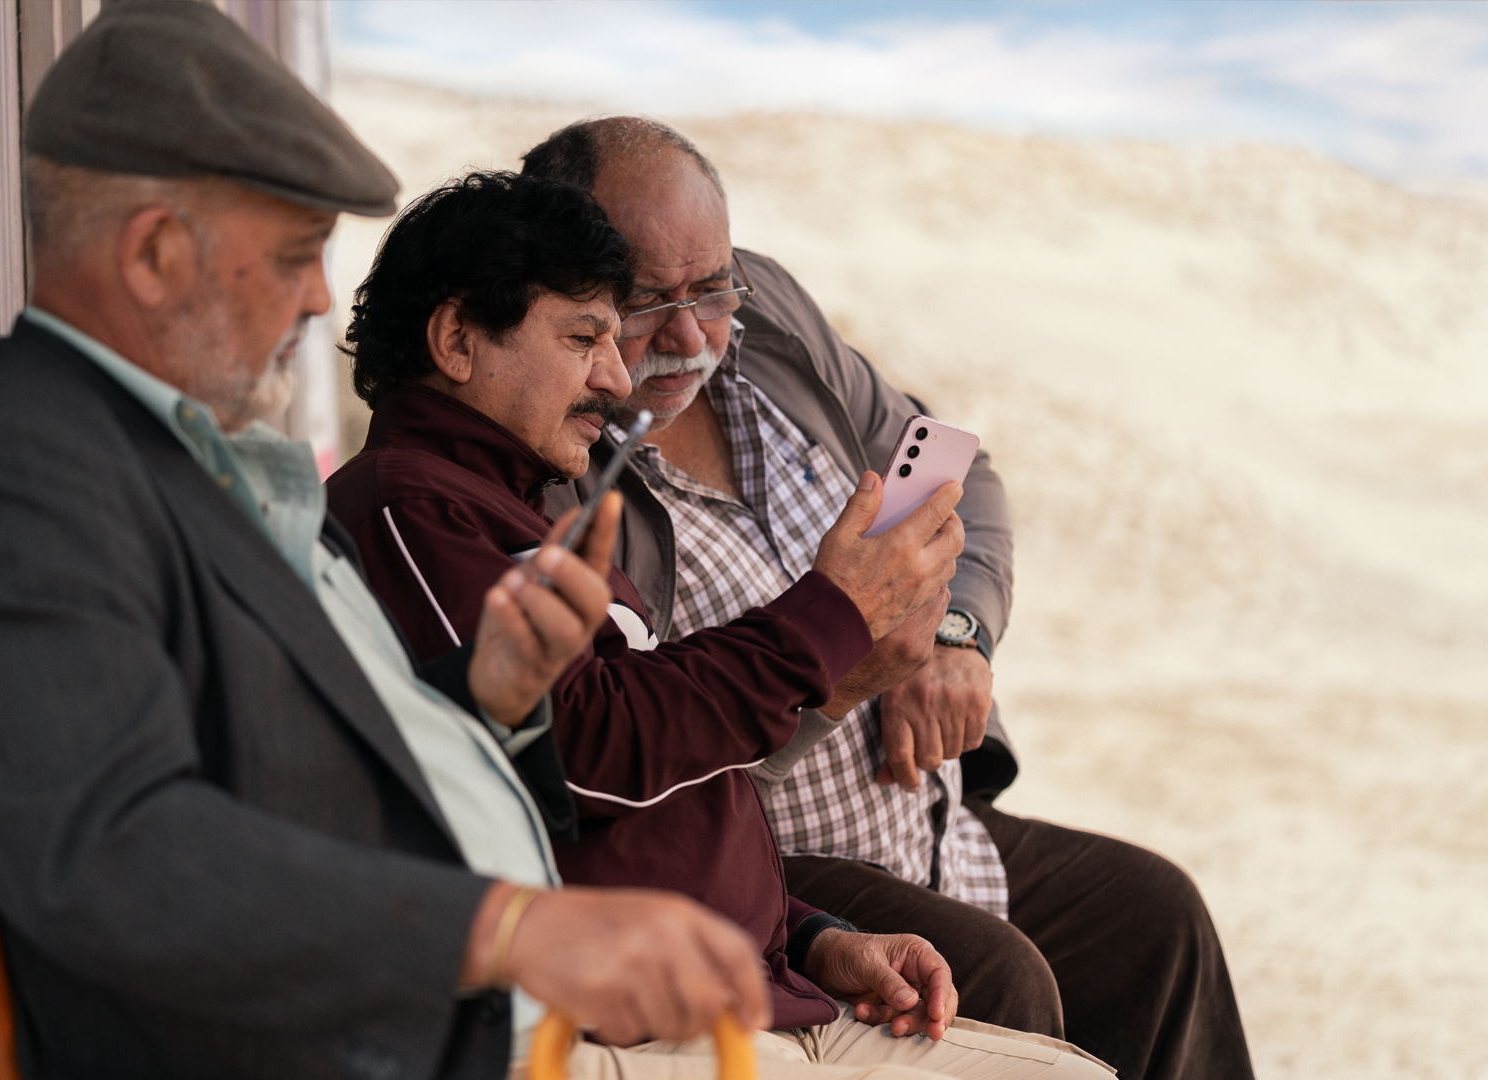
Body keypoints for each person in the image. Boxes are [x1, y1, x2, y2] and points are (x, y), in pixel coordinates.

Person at [0, 7, 776, 1078]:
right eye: (295, 257)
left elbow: (299, 768)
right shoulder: (17, 488)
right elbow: (123, 854)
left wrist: (489, 692)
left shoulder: (162, 454)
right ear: (154, 254)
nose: (315, 301)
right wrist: (508, 930)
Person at [327, 170, 1112, 1080]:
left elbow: (652, 811)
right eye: (586, 337)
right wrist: (835, 613)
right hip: (652, 1021)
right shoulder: (410, 510)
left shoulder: (511, 499)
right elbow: (591, 757)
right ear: (457, 340)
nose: (617, 376)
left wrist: (812, 939)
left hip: (769, 979)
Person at [521, 118, 1256, 1080]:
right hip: (775, 867)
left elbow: (959, 470)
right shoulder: (559, 460)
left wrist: (957, 635)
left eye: (711, 285)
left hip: (928, 820)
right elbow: (633, 763)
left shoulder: (769, 317)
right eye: (649, 300)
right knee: (995, 986)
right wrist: (834, 690)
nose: (695, 334)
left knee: (1158, 917)